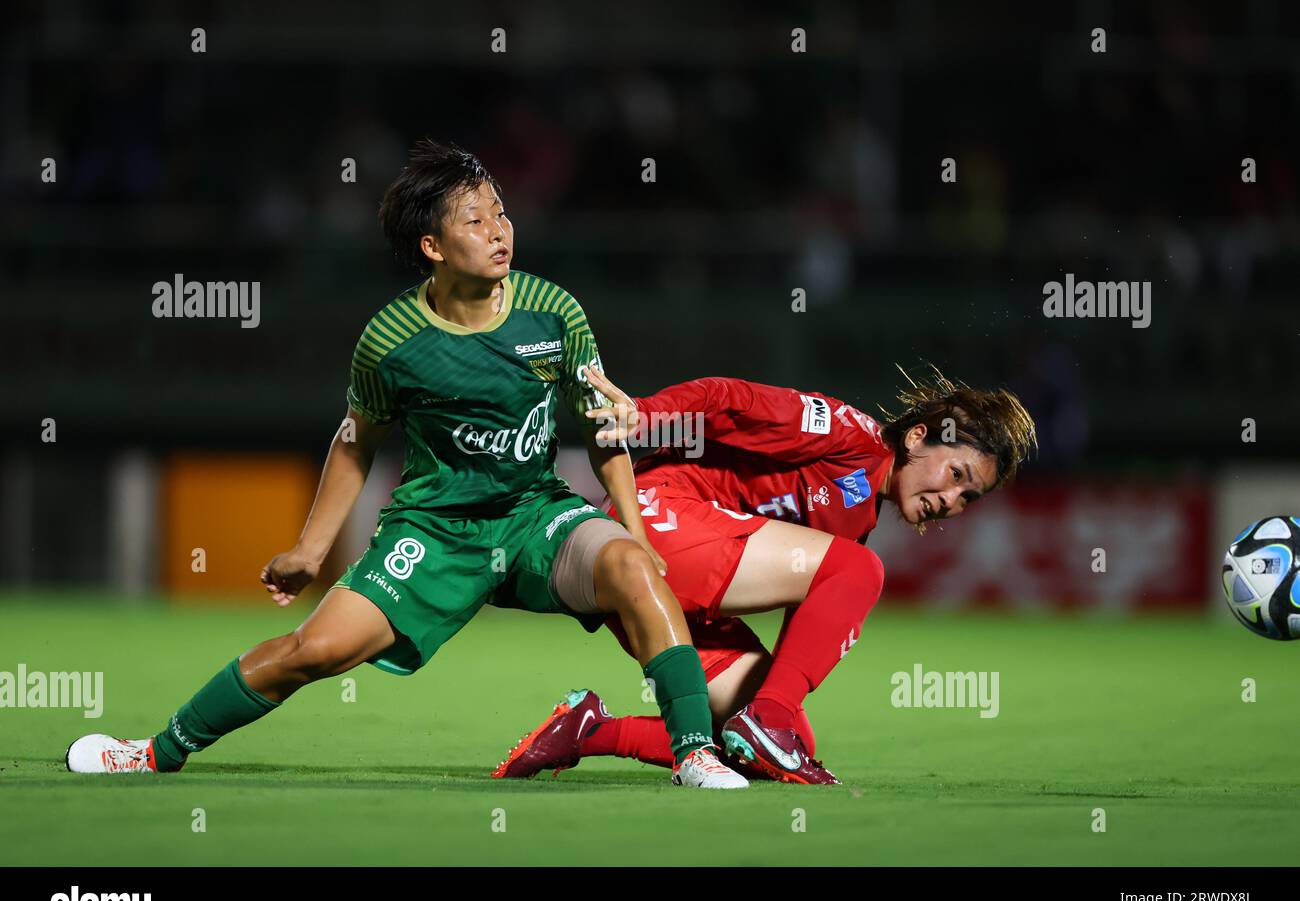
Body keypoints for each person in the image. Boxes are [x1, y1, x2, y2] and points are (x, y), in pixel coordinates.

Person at [66, 139, 747, 789]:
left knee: (631, 567)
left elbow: (602, 426)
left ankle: (695, 755)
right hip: (436, 533)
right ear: (433, 246)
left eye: (501, 212)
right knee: (316, 650)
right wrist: (310, 547)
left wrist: (632, 526)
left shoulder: (554, 312)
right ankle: (156, 751)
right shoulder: (392, 341)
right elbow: (356, 442)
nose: (499, 229)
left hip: (535, 516)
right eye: (475, 219)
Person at [494, 369, 1036, 783]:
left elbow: (803, 624)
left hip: (670, 578)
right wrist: (648, 413)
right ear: (918, 437)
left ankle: (588, 731)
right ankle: (766, 720)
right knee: (858, 573)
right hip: (656, 524)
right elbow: (732, 399)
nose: (951, 500)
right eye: (956, 474)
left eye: (969, 496)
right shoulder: (851, 436)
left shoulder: (860, 515)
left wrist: (775, 710)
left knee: (781, 741)